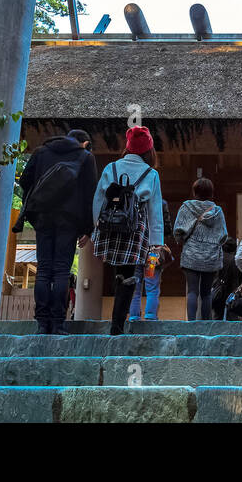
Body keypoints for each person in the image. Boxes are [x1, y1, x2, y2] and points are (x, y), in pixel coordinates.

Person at [16, 128, 97, 335]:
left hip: (43, 216)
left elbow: (25, 181)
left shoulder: (42, 152)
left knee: (43, 270)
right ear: (85, 143)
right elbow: (90, 195)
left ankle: (42, 323)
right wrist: (88, 229)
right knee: (61, 270)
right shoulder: (85, 157)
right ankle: (58, 322)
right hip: (68, 220)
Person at [92, 125, 165, 335]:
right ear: (148, 150)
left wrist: (95, 228)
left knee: (117, 270)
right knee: (129, 272)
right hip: (135, 226)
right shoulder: (150, 174)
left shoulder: (111, 168)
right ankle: (117, 323)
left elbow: (98, 200)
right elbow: (155, 211)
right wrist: (156, 242)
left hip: (110, 223)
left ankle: (117, 320)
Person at [174, 177, 228, 321]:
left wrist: (183, 241)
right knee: (206, 293)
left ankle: (191, 323)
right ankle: (206, 325)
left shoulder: (186, 207)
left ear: (194, 191)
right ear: (211, 192)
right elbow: (223, 236)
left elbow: (177, 231)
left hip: (191, 254)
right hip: (210, 257)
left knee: (192, 291)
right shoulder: (217, 211)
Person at [212, 237, 240, 320]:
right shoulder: (235, 259)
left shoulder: (217, 258)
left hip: (218, 290)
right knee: (232, 315)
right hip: (232, 291)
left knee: (217, 315)